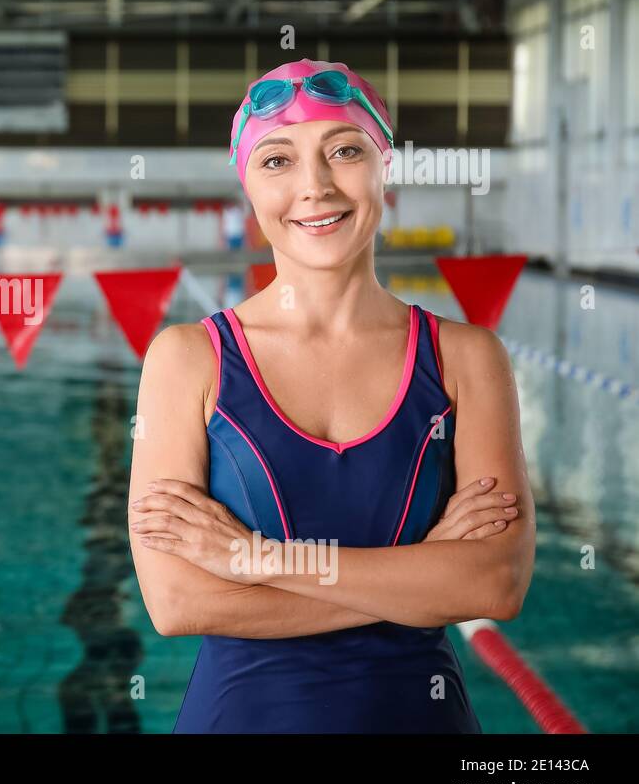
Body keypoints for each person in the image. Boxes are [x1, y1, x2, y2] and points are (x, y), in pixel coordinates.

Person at [128, 59, 535, 733]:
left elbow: (495, 585)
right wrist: (423, 580)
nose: (314, 187)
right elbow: (176, 601)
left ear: (385, 167)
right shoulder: (187, 360)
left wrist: (251, 561)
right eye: (277, 160)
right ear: (248, 187)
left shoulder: (466, 358)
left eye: (344, 151)